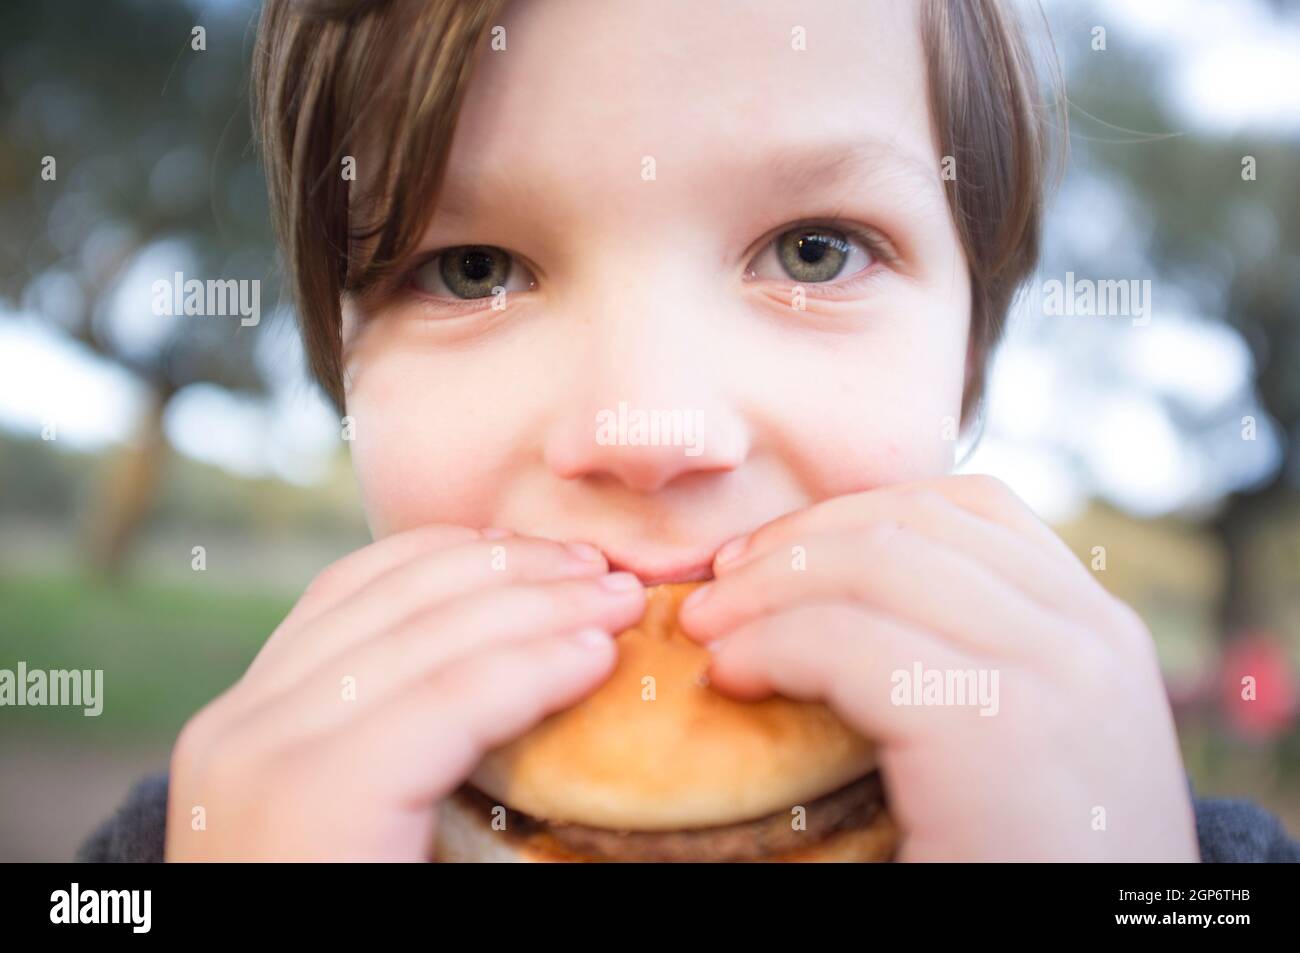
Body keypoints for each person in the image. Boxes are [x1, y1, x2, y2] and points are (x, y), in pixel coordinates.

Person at [80, 0, 1299, 862]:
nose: (644, 424)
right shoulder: (201, 836)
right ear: (336, 362)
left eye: (812, 250)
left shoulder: (1169, 850)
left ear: (967, 359)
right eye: (470, 267)